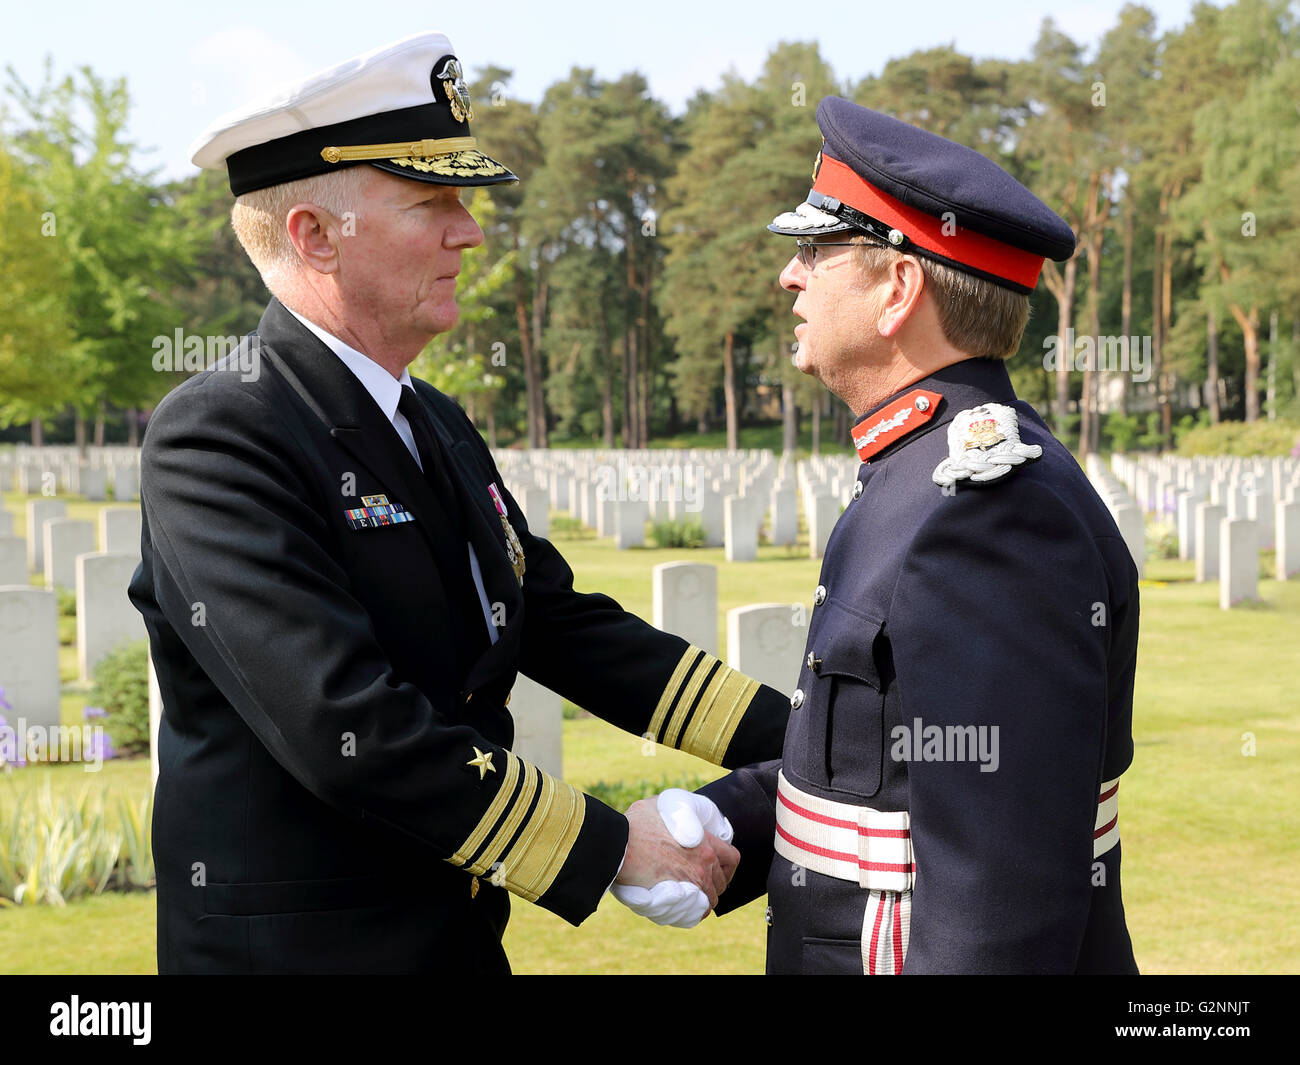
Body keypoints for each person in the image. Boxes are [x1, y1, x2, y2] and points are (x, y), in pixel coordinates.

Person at [128, 31, 788, 975]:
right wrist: (607, 846)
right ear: (317, 234)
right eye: (430, 201)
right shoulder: (222, 434)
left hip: (454, 941)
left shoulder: (428, 417)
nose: (469, 231)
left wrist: (809, 735)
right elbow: (344, 723)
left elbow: (552, 622)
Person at [659, 97, 1141, 974]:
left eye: (814, 250)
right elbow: (891, 770)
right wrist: (727, 819)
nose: (789, 278)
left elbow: (1000, 902)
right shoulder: (916, 472)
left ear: (898, 289)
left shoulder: (985, 511)